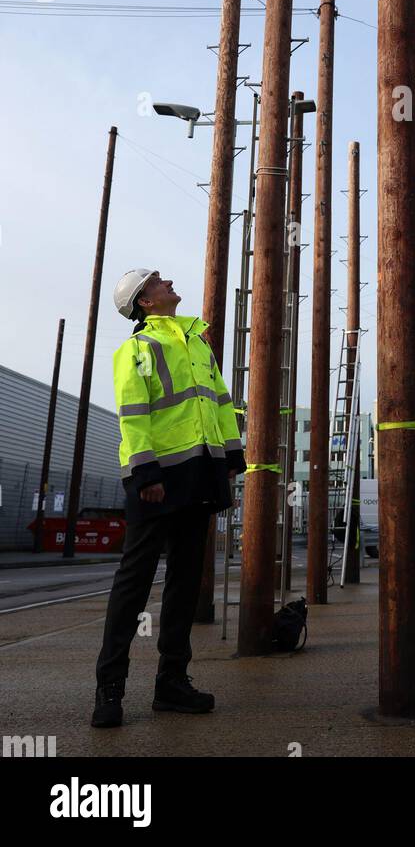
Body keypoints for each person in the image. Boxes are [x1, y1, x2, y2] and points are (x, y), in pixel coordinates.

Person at [91, 269, 247, 728]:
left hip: (200, 471)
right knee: (133, 583)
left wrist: (232, 455)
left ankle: (172, 684)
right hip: (158, 476)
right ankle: (110, 690)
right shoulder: (136, 350)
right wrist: (145, 473)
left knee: (184, 582)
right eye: (158, 281)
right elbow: (133, 415)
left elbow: (219, 400)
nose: (169, 282)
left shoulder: (197, 344)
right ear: (144, 302)